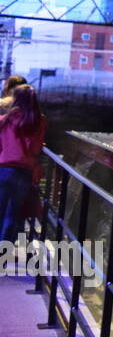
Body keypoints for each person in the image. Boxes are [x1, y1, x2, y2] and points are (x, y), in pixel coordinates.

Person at [0, 84, 46, 243]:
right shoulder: (39, 120)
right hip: (24, 172)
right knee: (12, 214)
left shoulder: (5, 119)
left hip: (4, 169)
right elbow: (35, 149)